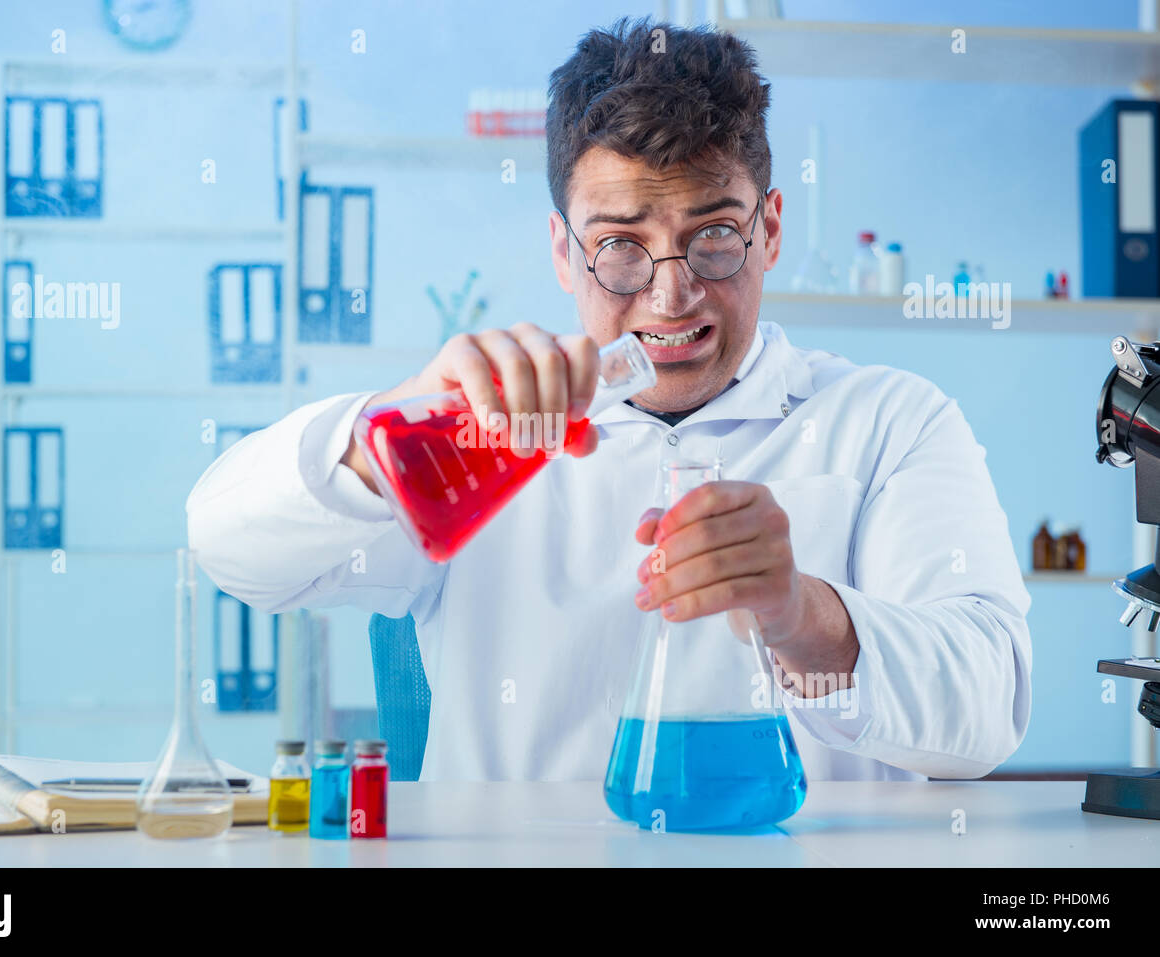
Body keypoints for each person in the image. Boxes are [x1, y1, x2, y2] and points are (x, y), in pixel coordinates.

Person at [187, 18, 1031, 783]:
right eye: (620, 247)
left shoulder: (889, 422)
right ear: (563, 250)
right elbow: (229, 547)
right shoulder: (480, 435)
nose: (671, 299)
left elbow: (990, 711)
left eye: (713, 238)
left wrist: (801, 610)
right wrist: (390, 432)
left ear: (770, 229)